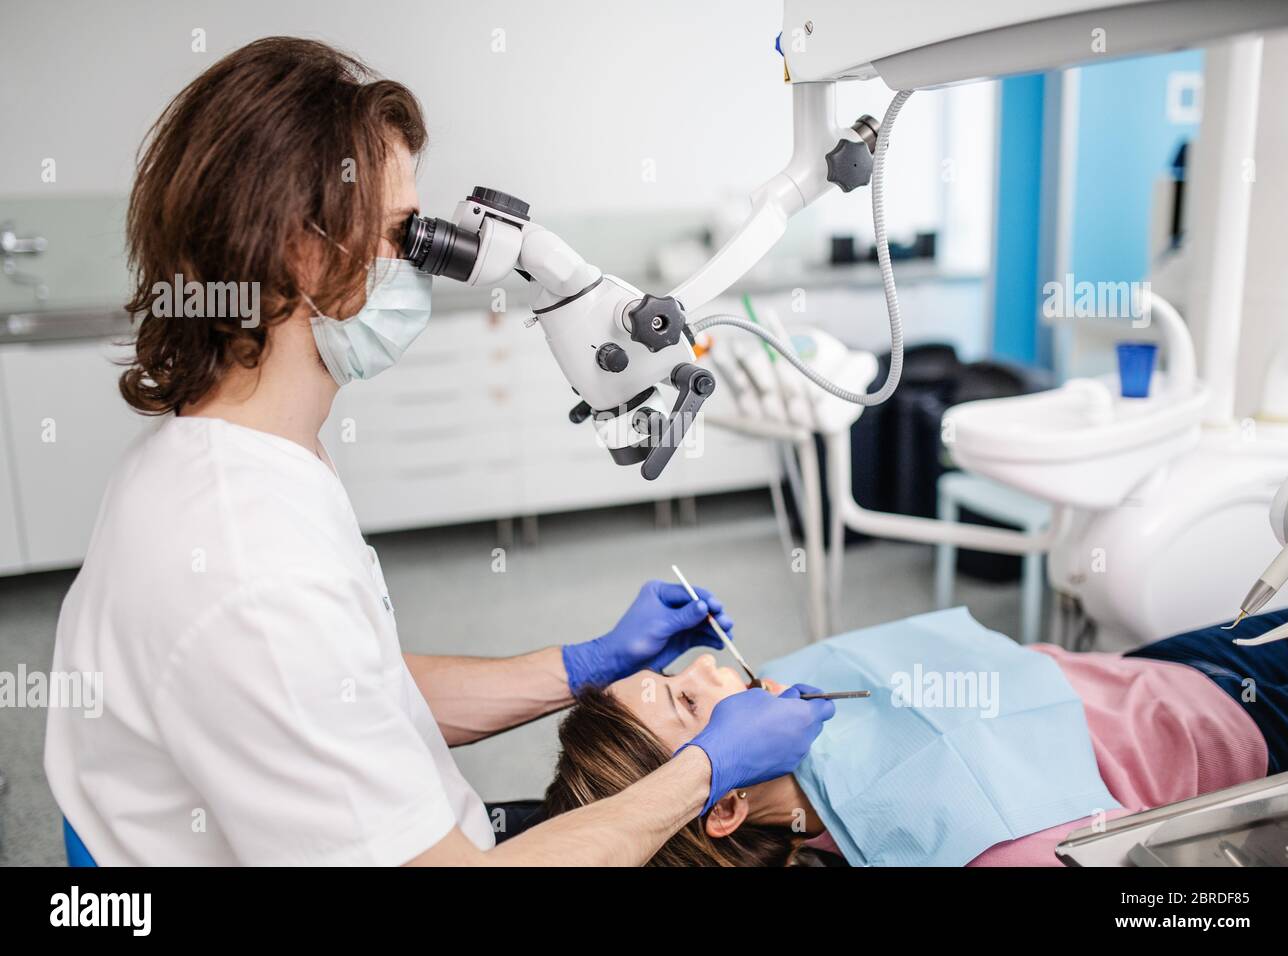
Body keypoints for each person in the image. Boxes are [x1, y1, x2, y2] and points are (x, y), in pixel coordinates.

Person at [42, 37, 835, 866]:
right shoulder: (250, 568)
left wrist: (585, 664)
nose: (419, 265)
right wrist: (703, 772)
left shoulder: (247, 455)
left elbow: (360, 691)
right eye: (400, 234)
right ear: (302, 254)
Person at [543, 607, 1288, 866]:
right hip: (1251, 726)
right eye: (682, 698)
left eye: (678, 667)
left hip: (1155, 668)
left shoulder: (784, 690)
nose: (708, 663)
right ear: (723, 806)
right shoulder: (966, 841)